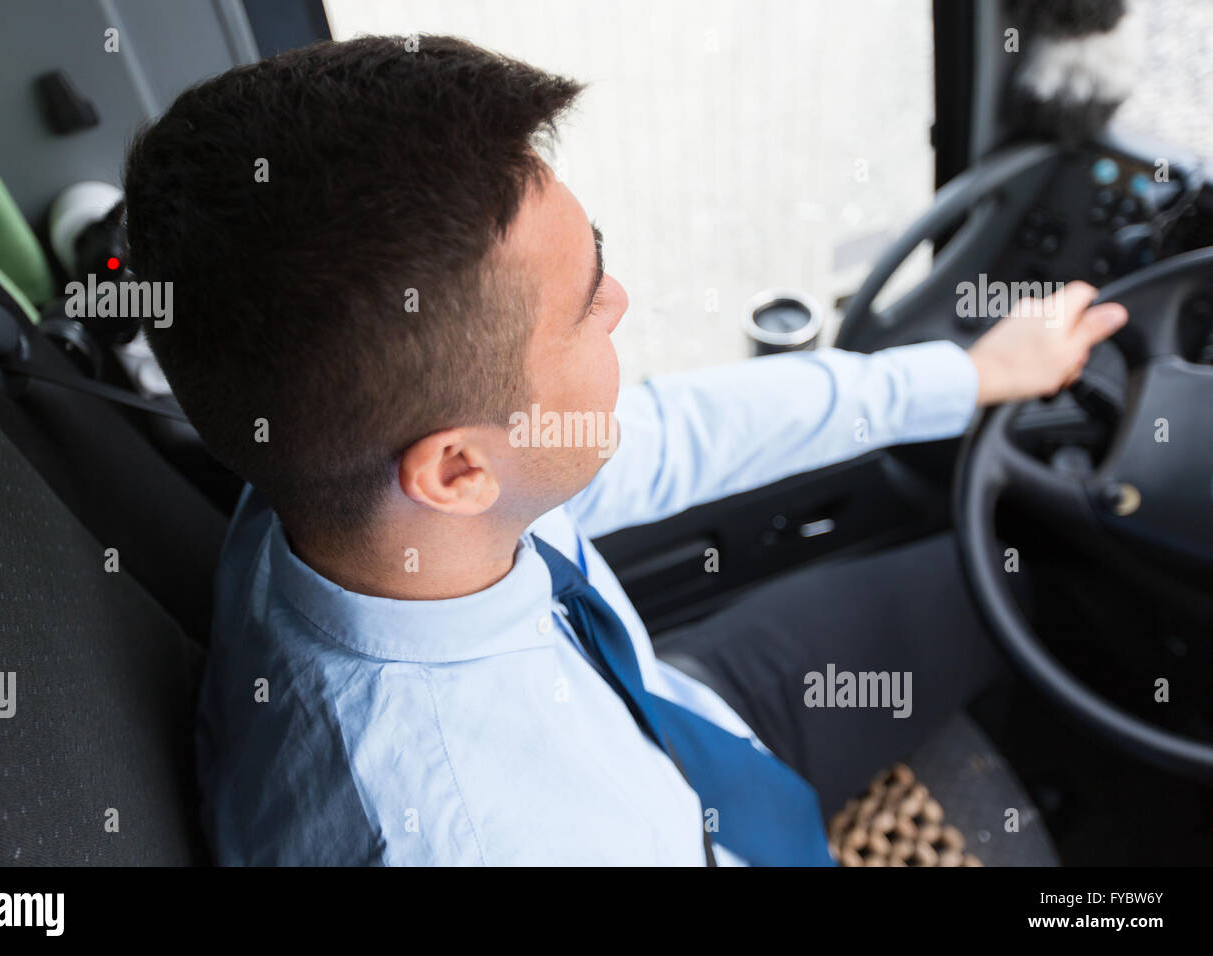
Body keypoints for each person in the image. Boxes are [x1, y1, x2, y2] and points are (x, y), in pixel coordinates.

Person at [123, 35, 1128, 865]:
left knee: (996, 580)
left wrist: (968, 376)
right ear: (458, 469)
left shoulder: (341, 495)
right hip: (682, 826)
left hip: (680, 728)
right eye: (583, 305)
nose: (621, 302)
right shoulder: (482, 834)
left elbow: (679, 434)